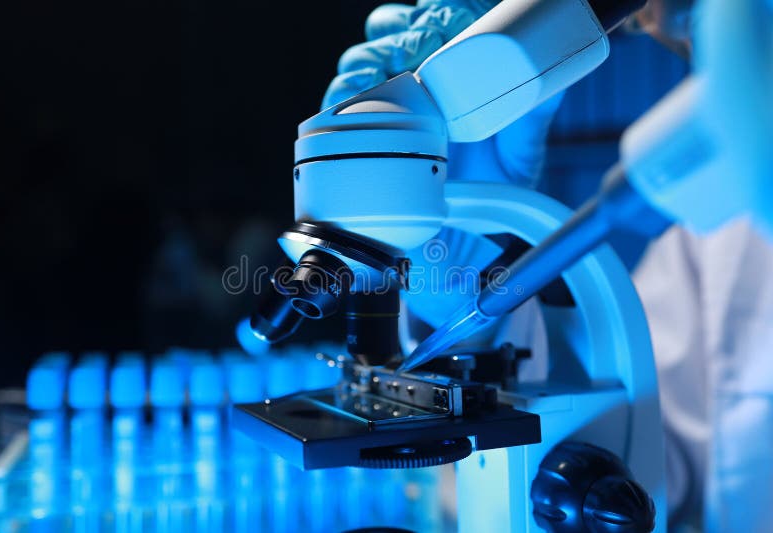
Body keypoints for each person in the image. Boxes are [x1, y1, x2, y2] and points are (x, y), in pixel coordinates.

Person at [322, 0, 772, 531]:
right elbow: (646, 455)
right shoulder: (718, 242)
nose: (661, 24)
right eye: (650, 12)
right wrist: (462, 298)